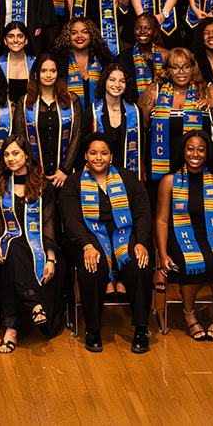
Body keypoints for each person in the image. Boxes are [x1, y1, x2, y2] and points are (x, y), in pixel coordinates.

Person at [61, 133, 152, 354]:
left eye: (104, 153)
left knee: (138, 262)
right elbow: (71, 219)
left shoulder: (127, 179)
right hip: (87, 235)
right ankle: (93, 328)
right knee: (93, 266)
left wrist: (140, 242)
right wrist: (86, 245)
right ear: (85, 156)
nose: (98, 157)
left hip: (125, 232)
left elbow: (143, 214)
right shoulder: (74, 182)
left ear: (111, 156)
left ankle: (141, 327)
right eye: (93, 153)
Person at [154, 129, 213, 341]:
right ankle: (189, 315)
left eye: (201, 150)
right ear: (183, 151)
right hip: (180, 236)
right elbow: (162, 220)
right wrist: (162, 255)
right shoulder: (169, 181)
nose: (195, 154)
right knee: (191, 260)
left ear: (207, 152)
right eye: (190, 149)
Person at [0, 137, 60, 353]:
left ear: (26, 155)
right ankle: (33, 304)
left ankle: (11, 330)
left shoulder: (42, 185)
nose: (11, 158)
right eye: (7, 155)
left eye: (16, 153)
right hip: (5, 243)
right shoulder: (0, 183)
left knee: (16, 255)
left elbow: (49, 225)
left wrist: (50, 258)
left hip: (40, 245)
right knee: (13, 250)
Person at [141, 47, 213, 188]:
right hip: (160, 168)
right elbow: (142, 127)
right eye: (175, 68)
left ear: (193, 68)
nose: (181, 72)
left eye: (186, 67)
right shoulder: (155, 92)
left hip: (199, 166)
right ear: (167, 69)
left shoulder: (207, 90)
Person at [25, 52, 79, 180]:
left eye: (52, 71)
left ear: (58, 74)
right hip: (34, 175)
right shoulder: (25, 102)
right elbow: (21, 137)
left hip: (65, 175)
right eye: (44, 71)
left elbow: (77, 135)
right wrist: (33, 169)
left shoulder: (71, 101)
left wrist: (65, 170)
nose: (48, 75)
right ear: (36, 74)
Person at [89, 62, 144, 180]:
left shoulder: (135, 112)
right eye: (112, 80)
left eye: (122, 81)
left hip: (128, 176)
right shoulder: (92, 113)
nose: (117, 85)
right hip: (99, 176)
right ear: (104, 82)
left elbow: (141, 148)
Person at [61, 17, 112, 107]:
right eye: (74, 33)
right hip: (70, 115)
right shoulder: (61, 61)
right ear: (68, 37)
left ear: (91, 35)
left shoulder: (103, 60)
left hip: (99, 116)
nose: (79, 35)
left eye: (85, 32)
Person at [0, 21, 36, 104]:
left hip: (30, 112)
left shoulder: (35, 62)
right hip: (4, 112)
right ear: (5, 41)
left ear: (26, 40)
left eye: (20, 36)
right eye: (11, 36)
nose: (15, 40)